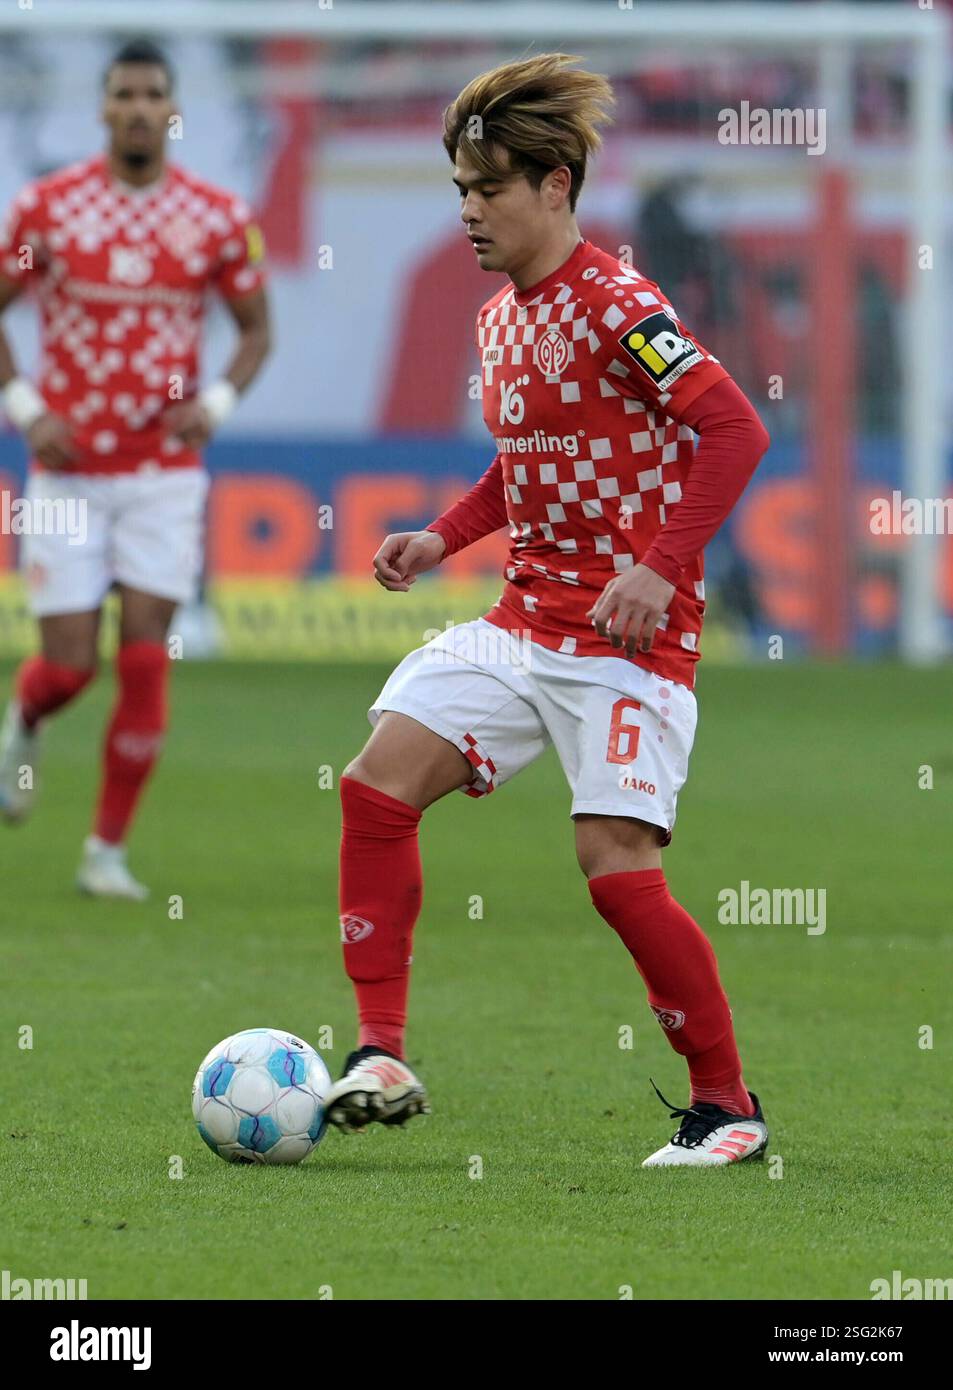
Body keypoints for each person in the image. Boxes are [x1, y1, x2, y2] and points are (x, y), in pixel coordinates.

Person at [325, 54, 771, 1167]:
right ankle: (381, 1050)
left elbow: (736, 432)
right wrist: (445, 533)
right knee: (377, 783)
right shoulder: (501, 321)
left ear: (556, 186)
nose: (470, 211)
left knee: (614, 864)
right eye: (460, 193)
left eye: (490, 190)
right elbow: (524, 462)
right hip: (524, 624)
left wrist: (662, 567)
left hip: (629, 642)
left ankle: (726, 1108)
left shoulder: (619, 305)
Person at [0, 39, 271, 897]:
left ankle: (105, 853)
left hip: (165, 469)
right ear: (104, 109)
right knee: (72, 665)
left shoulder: (218, 216)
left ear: (174, 110)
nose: (141, 107)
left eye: (155, 93)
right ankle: (26, 714)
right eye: (126, 93)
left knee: (148, 654)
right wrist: (28, 409)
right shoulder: (48, 210)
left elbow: (256, 329)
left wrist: (216, 406)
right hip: (67, 471)